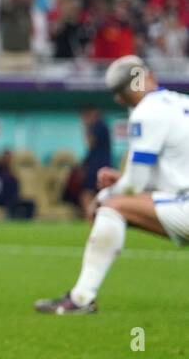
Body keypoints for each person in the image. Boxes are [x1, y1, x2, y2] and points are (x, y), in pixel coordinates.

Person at [37, 56, 189, 314]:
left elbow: (134, 187)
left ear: (119, 98)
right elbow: (173, 175)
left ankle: (81, 299)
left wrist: (105, 194)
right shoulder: (180, 102)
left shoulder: (146, 113)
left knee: (111, 207)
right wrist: (124, 180)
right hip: (180, 199)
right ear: (150, 74)